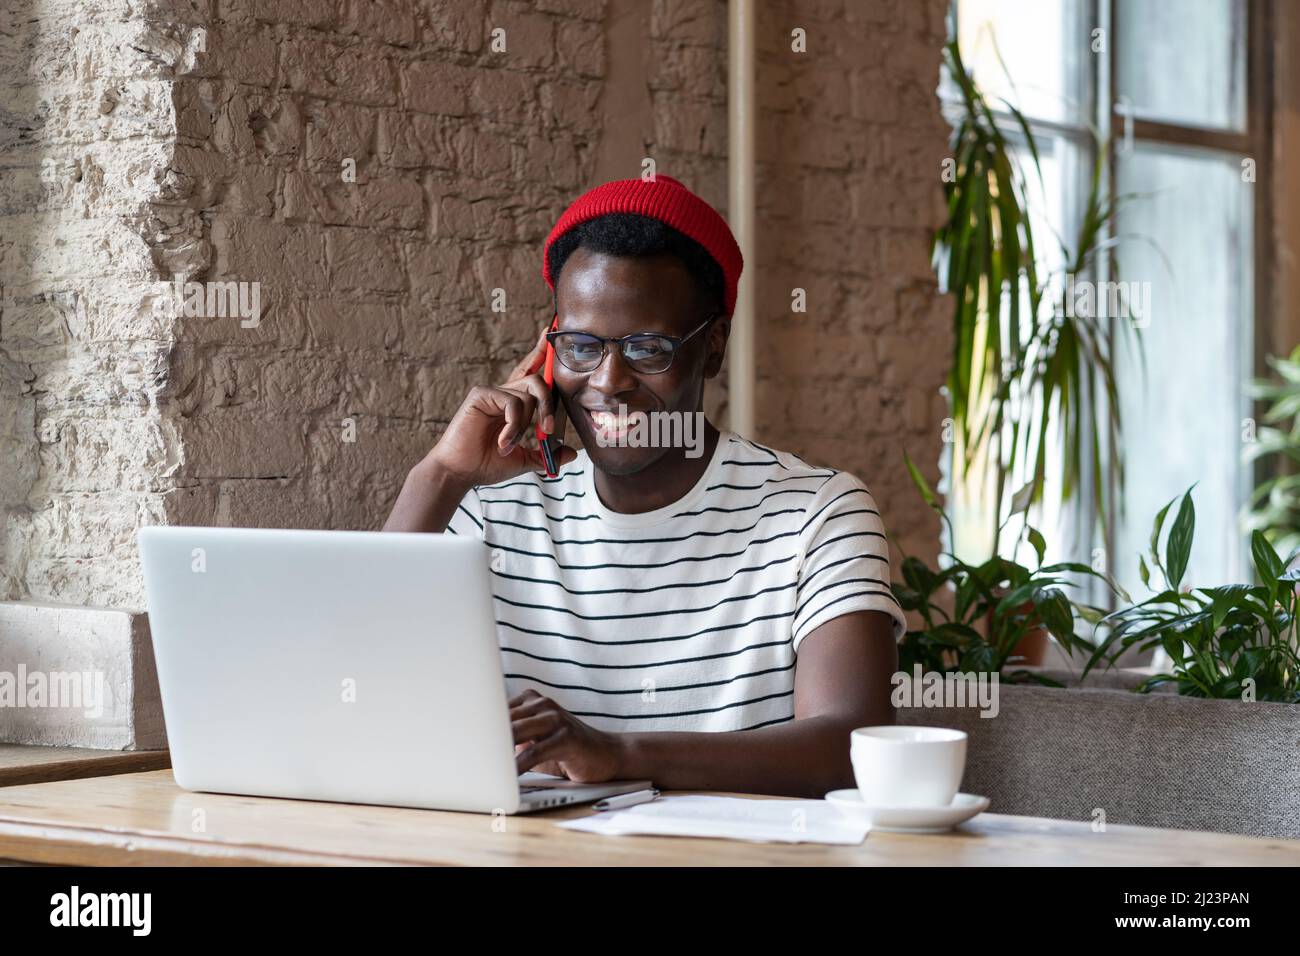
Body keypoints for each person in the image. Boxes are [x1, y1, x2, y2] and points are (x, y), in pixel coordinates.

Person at [384, 175, 905, 798]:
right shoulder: (491, 510)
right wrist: (438, 477)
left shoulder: (816, 513)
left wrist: (617, 754)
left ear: (711, 347)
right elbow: (356, 688)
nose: (609, 380)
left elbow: (849, 748)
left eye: (648, 347)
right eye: (580, 346)